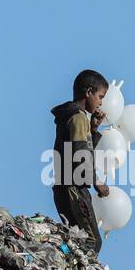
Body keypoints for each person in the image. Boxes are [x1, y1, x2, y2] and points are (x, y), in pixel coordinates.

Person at [51, 69, 110, 253]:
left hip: (62, 190)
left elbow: (79, 146)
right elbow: (80, 153)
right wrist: (96, 181)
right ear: (88, 92)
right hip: (74, 190)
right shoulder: (78, 117)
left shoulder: (71, 116)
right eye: (100, 96)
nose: (101, 102)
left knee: (77, 239)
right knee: (92, 242)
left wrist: (93, 129)